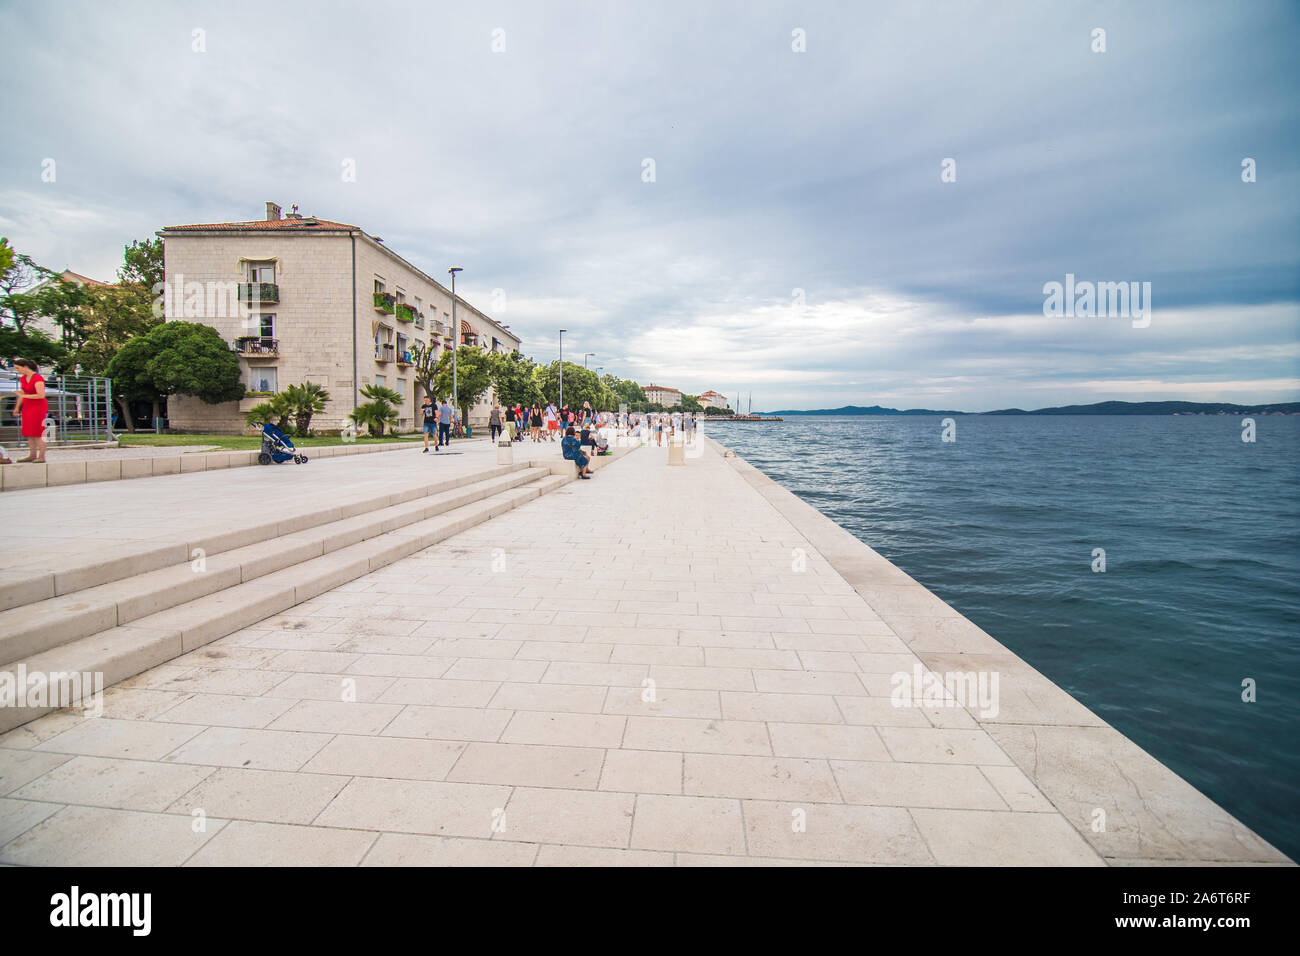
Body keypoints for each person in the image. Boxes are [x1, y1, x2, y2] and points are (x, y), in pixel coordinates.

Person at [12, 358, 49, 463]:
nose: (17, 371)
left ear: (25, 367)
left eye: (18, 368)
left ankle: (41, 456)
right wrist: (17, 407)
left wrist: (24, 396)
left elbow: (41, 395)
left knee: (38, 431)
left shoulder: (37, 378)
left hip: (38, 407)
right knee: (29, 431)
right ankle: (32, 455)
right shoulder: (23, 379)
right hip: (27, 407)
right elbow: (22, 394)